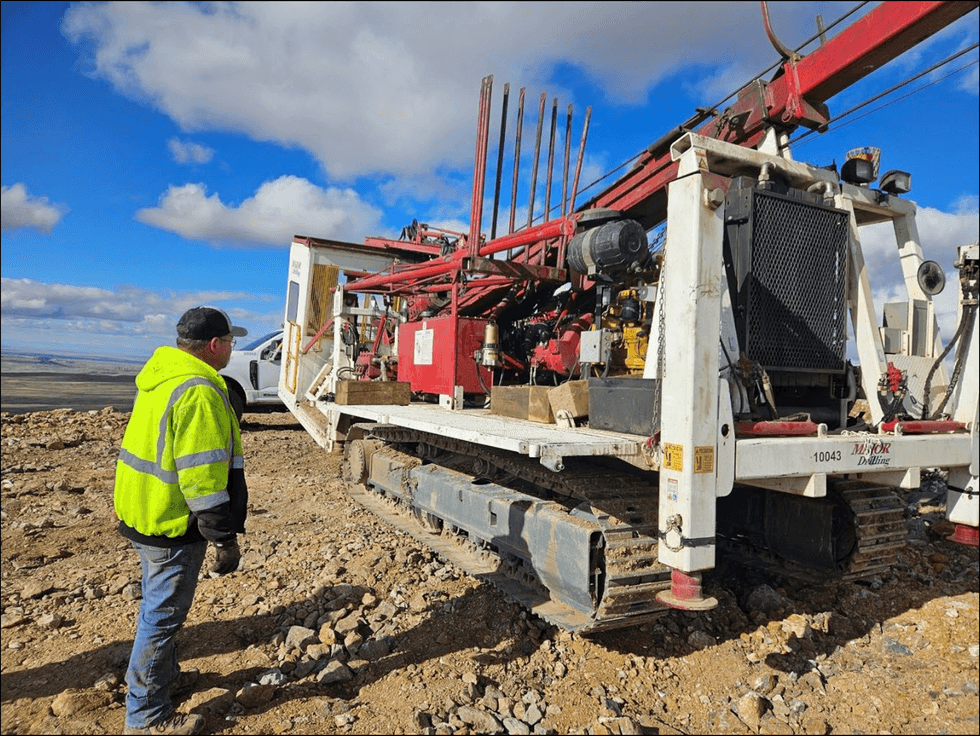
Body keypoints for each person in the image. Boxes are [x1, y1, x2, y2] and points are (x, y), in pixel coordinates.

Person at [115, 306, 250, 735]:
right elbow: (203, 480)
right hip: (171, 522)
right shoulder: (199, 392)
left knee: (159, 607)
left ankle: (166, 680)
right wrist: (224, 539)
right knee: (162, 616)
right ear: (214, 345)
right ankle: (146, 717)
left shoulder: (162, 377)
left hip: (144, 509)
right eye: (230, 341)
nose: (232, 348)